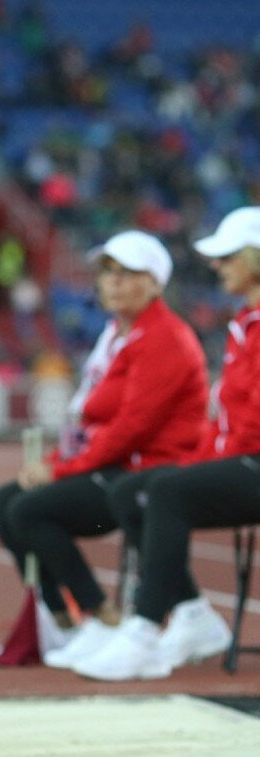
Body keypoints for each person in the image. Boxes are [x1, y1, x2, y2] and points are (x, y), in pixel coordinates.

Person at [0, 230, 209, 667]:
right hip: (114, 462)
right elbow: (91, 421)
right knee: (3, 502)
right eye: (108, 273)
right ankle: (66, 621)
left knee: (28, 510)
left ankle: (101, 616)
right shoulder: (116, 335)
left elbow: (132, 427)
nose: (113, 283)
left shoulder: (163, 337)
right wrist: (54, 462)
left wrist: (64, 471)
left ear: (155, 283)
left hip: (148, 467)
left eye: (128, 274)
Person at [72, 207, 260, 681]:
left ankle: (145, 630)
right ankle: (194, 616)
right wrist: (201, 462)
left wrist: (200, 467)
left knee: (167, 490)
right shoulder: (246, 324)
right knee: (130, 489)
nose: (216, 266)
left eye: (227, 256)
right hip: (244, 460)